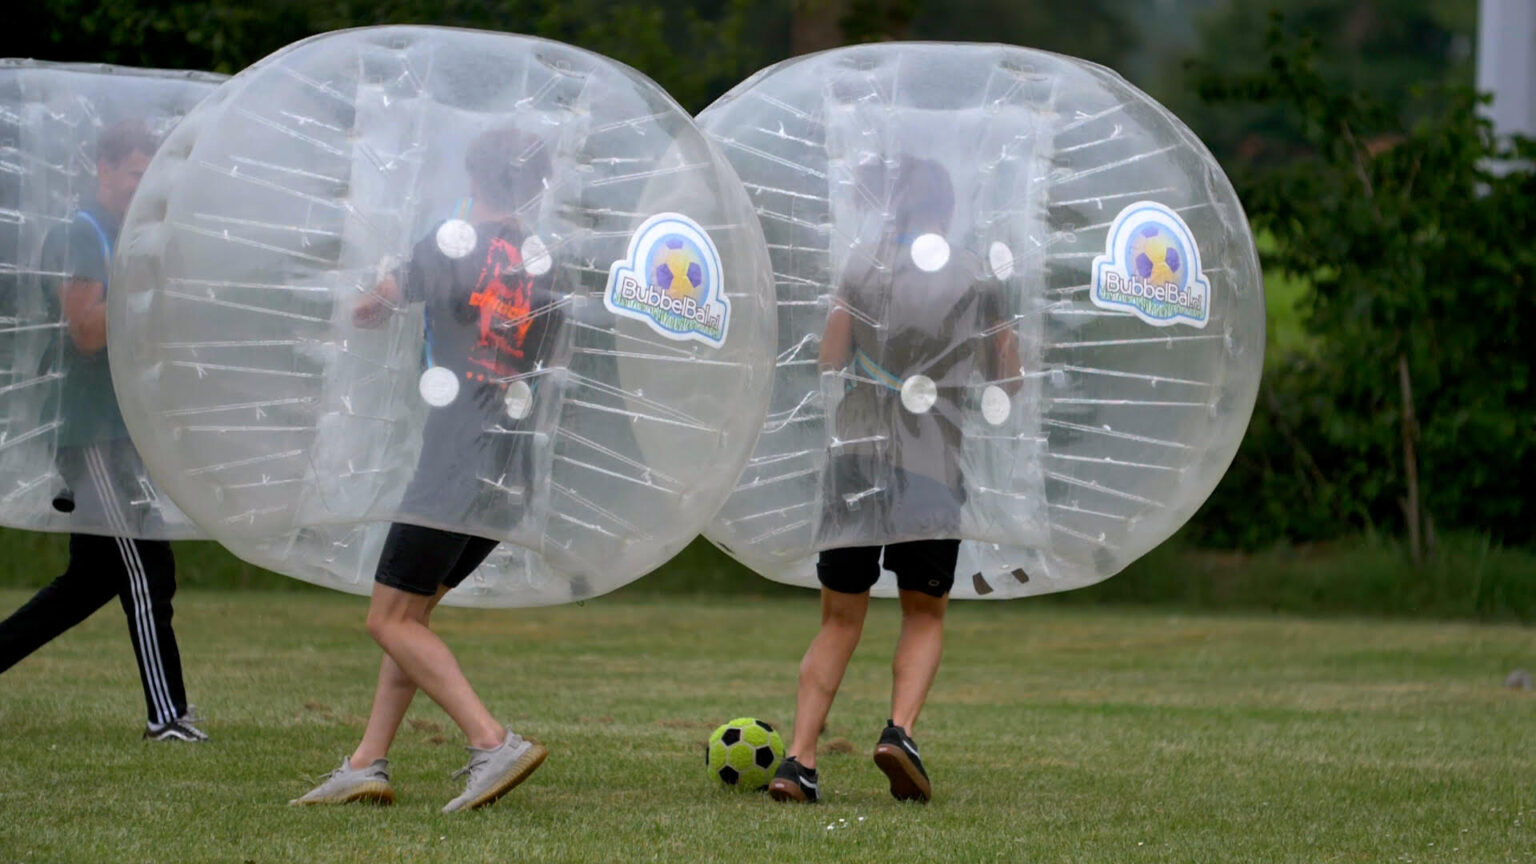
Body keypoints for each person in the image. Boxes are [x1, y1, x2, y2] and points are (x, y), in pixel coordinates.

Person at [292, 127, 566, 812]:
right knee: (411, 615)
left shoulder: (449, 242)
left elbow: (372, 305)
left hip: (453, 456)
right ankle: (367, 762)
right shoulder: (546, 266)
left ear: (473, 178)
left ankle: (491, 742)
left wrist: (369, 290)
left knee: (388, 619)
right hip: (509, 469)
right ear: (533, 186)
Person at [768, 155, 1020, 804]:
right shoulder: (977, 275)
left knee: (838, 620)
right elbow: (1010, 378)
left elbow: (829, 359)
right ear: (948, 209)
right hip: (932, 467)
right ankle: (899, 732)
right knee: (924, 612)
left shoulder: (862, 269)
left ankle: (799, 760)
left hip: (854, 460)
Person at [0, 119, 207, 743]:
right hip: (89, 432)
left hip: (120, 428)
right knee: (146, 570)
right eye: (135, 174)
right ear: (105, 170)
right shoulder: (82, 232)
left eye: (150, 176)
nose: (143, 186)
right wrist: (147, 298)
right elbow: (87, 331)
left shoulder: (126, 234)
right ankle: (166, 717)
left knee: (88, 581)